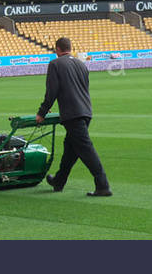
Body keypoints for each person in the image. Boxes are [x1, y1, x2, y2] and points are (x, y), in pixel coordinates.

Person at [37, 36, 112, 197]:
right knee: (70, 149)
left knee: (86, 149)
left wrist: (42, 113)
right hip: (86, 111)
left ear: (57, 49)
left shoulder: (55, 64)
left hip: (73, 114)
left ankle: (103, 185)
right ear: (70, 48)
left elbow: (52, 91)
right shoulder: (81, 64)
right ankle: (59, 180)